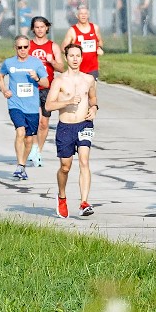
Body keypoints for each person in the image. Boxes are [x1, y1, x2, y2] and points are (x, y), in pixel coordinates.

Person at [47, 42, 99, 217]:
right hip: (65, 127)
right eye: (71, 56)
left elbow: (93, 98)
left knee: (84, 161)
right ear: (66, 58)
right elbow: (48, 105)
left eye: (78, 56)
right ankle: (62, 196)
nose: (75, 59)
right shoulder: (59, 81)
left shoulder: (89, 79)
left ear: (82, 58)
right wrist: (68, 101)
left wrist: (94, 108)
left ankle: (84, 203)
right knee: (65, 166)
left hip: (84, 125)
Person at [0, 35, 51, 180]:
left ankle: (23, 165)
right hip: (15, 104)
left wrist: (37, 78)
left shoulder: (36, 63)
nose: (22, 50)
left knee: (29, 140)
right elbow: (0, 76)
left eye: (25, 47)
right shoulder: (9, 63)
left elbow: (46, 83)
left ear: (29, 47)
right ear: (15, 48)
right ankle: (19, 165)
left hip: (32, 107)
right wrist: (4, 90)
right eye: (19, 47)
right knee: (20, 132)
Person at [26, 16, 61, 166]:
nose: (40, 30)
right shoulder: (27, 45)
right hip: (31, 88)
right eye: (37, 27)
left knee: (44, 123)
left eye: (42, 27)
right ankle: (34, 148)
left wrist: (51, 61)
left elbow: (61, 68)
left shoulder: (53, 46)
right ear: (33, 29)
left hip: (47, 88)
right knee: (35, 121)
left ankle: (38, 151)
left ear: (47, 28)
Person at [61, 5, 103, 79]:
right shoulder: (72, 30)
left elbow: (100, 41)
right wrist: (72, 55)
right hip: (77, 69)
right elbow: (63, 48)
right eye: (81, 14)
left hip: (92, 68)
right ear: (77, 16)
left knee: (92, 86)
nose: (83, 16)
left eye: (85, 14)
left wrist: (99, 48)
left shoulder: (95, 28)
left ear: (88, 15)